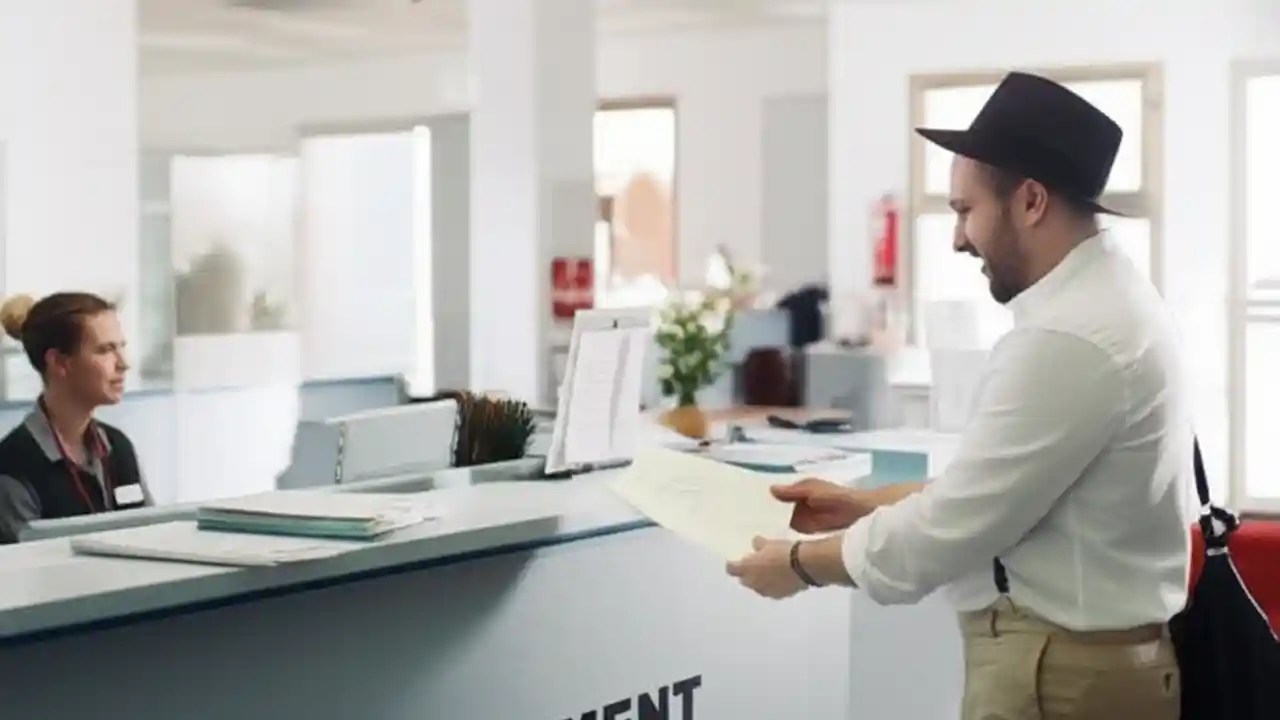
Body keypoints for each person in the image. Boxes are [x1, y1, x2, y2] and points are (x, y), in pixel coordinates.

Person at [727, 72, 1193, 720]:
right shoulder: (1111, 301)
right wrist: (859, 505)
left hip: (1058, 679)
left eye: (964, 210)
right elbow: (1001, 494)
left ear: (1031, 201)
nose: (955, 238)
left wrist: (800, 564)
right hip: (1080, 668)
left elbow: (950, 532)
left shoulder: (1073, 335)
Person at [0, 292, 151, 543]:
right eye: (105, 350)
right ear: (59, 362)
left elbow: (153, 538)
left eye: (121, 347)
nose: (124, 363)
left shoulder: (118, 446)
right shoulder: (13, 468)